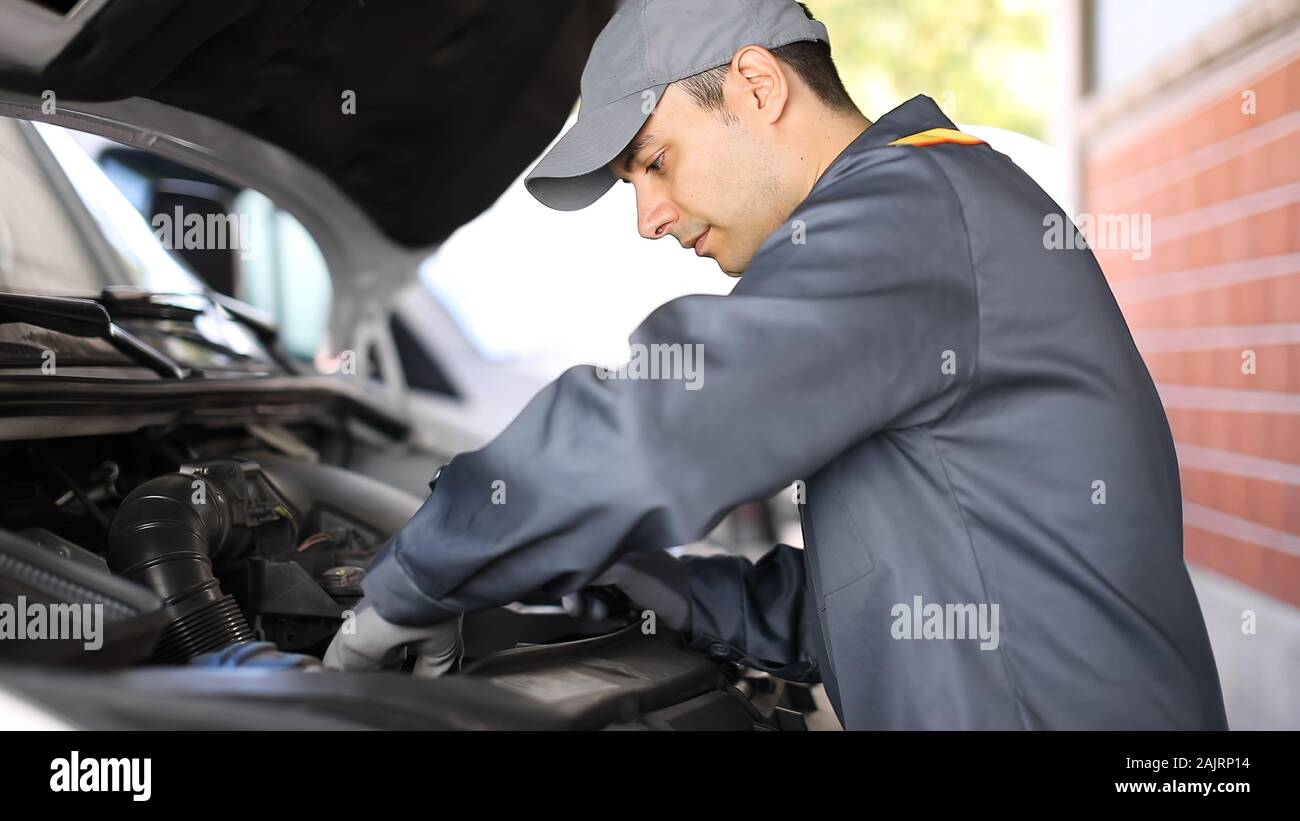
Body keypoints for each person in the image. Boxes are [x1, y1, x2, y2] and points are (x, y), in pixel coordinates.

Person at [325, 0, 1228, 730]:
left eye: (655, 162)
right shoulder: (933, 210)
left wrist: (419, 574)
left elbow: (656, 425)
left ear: (756, 86)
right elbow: (891, 598)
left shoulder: (907, 214)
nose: (648, 216)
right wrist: (645, 585)